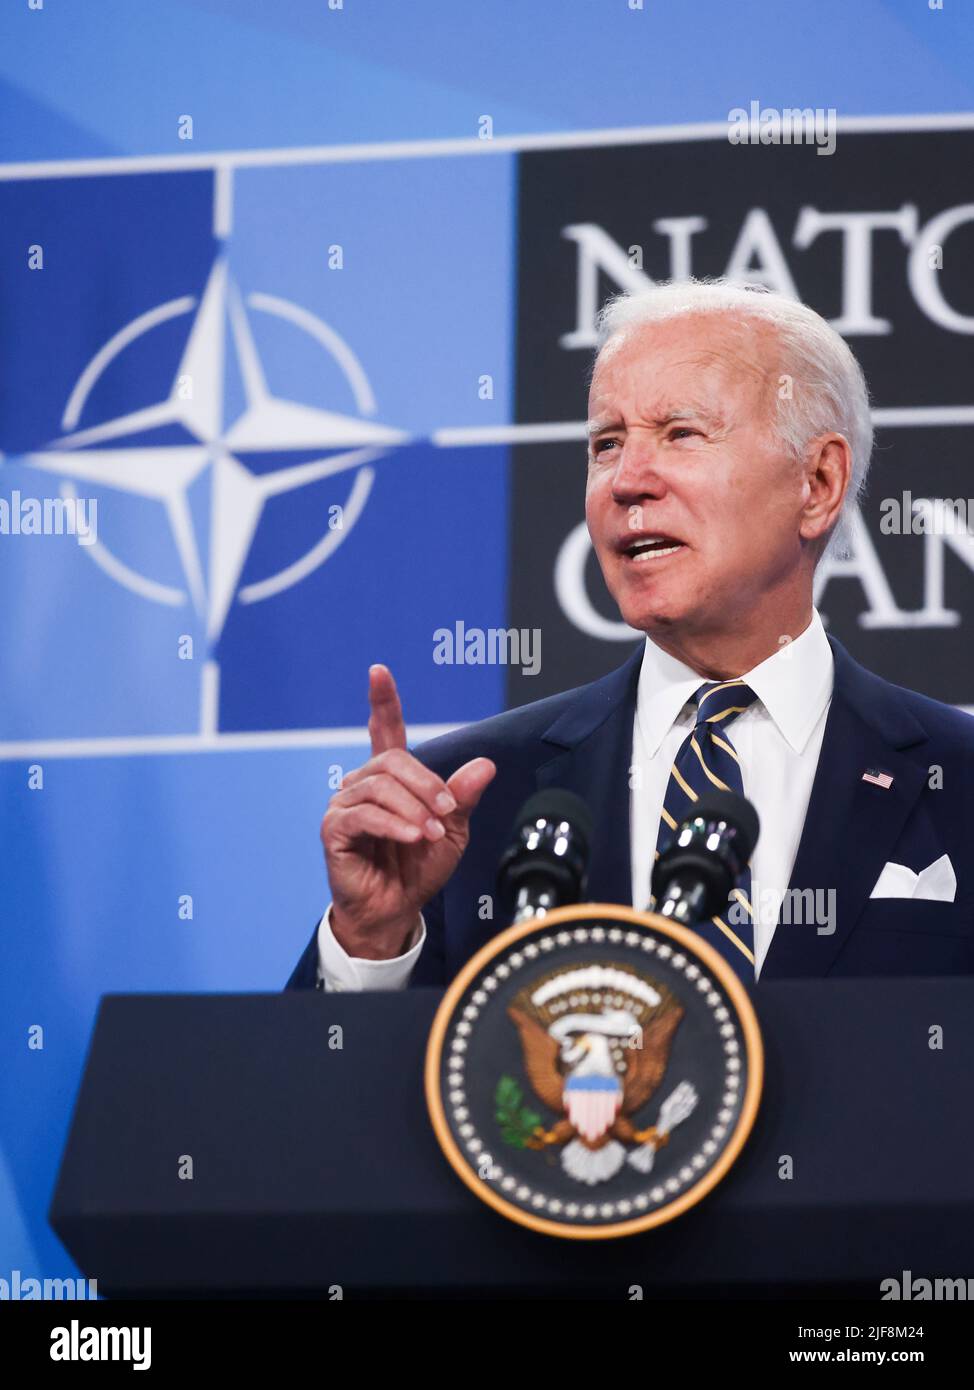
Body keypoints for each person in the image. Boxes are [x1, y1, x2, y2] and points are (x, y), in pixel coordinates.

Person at [288, 279, 973, 992]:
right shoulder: (459, 803)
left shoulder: (957, 782)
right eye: (606, 443)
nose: (627, 481)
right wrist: (369, 940)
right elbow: (313, 1097)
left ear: (819, 482)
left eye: (681, 434)